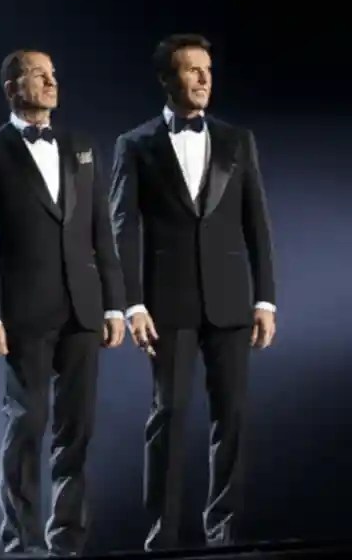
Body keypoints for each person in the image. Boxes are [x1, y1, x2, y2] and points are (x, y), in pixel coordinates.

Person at [110, 33, 276, 550]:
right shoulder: (134, 145)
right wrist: (132, 302)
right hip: (167, 302)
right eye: (191, 69)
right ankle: (164, 535)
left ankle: (222, 531)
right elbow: (123, 228)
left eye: (207, 68)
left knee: (233, 417)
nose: (204, 78)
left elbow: (258, 224)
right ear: (167, 79)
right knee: (170, 415)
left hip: (230, 300)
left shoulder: (237, 140)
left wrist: (265, 299)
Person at [0, 49, 126, 556]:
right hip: (22, 311)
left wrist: (115, 305)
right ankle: (22, 540)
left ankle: (68, 538)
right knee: (28, 422)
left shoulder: (81, 146)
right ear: (12, 87)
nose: (52, 81)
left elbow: (102, 230)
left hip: (83, 308)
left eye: (54, 73)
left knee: (77, 430)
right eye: (39, 74)